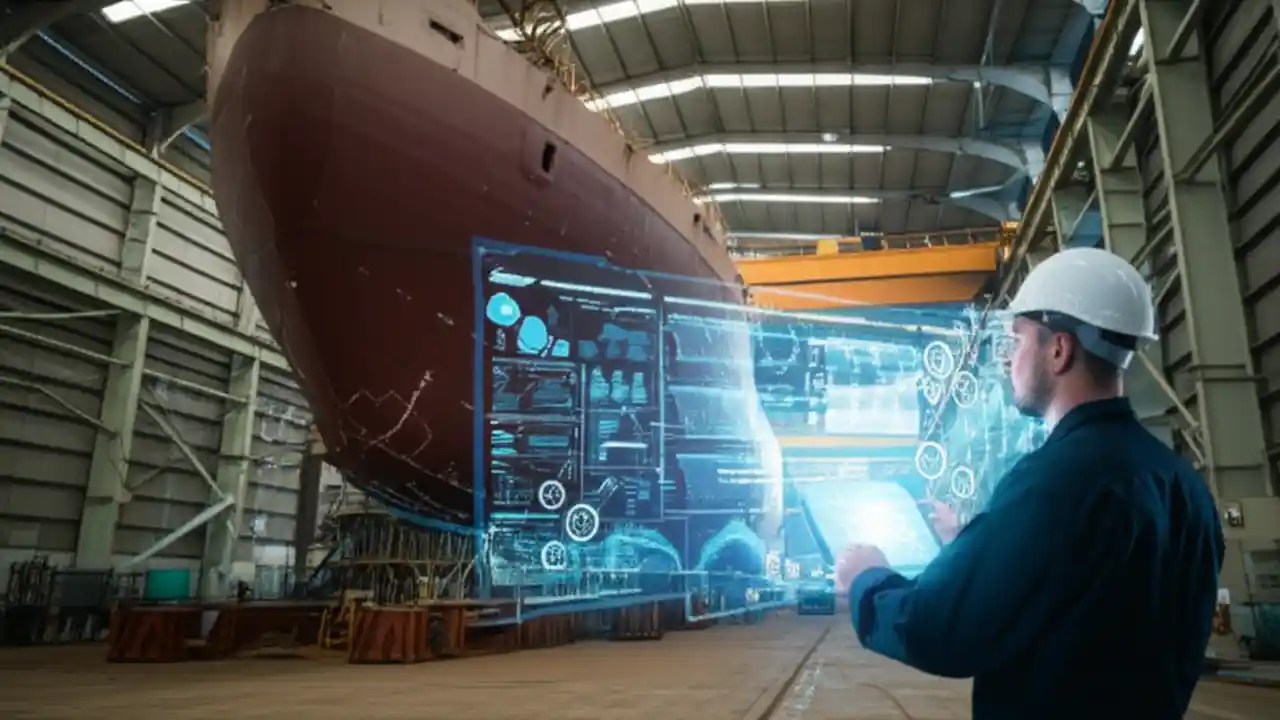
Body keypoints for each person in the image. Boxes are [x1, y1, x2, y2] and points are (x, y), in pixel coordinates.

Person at [834, 247, 1225, 719]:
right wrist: (976, 541)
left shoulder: (1055, 480)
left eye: (1018, 340)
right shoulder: (1184, 486)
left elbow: (942, 630)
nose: (1008, 361)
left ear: (1059, 350)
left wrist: (867, 580)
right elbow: (1092, 599)